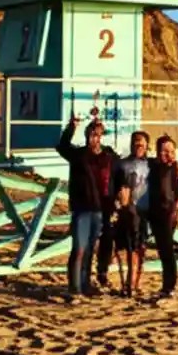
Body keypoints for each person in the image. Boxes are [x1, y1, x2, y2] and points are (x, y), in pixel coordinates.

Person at [56, 111, 116, 298]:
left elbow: (122, 171)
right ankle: (74, 288)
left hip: (100, 209)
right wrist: (71, 127)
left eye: (97, 135)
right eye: (91, 134)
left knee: (90, 249)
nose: (94, 138)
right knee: (79, 249)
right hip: (82, 208)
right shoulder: (78, 155)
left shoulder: (108, 155)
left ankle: (85, 284)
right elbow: (62, 146)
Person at [111, 131, 151, 296]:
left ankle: (135, 282)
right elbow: (114, 186)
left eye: (141, 143)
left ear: (147, 145)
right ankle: (128, 282)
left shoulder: (151, 165)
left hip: (145, 211)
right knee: (127, 248)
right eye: (135, 142)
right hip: (127, 211)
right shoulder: (122, 164)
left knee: (141, 247)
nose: (138, 146)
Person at [147, 135, 178, 299]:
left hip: (167, 213)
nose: (168, 154)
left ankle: (169, 285)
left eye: (171, 151)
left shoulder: (176, 168)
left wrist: (174, 208)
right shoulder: (153, 166)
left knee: (167, 250)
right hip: (154, 211)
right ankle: (166, 285)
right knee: (162, 250)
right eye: (164, 151)